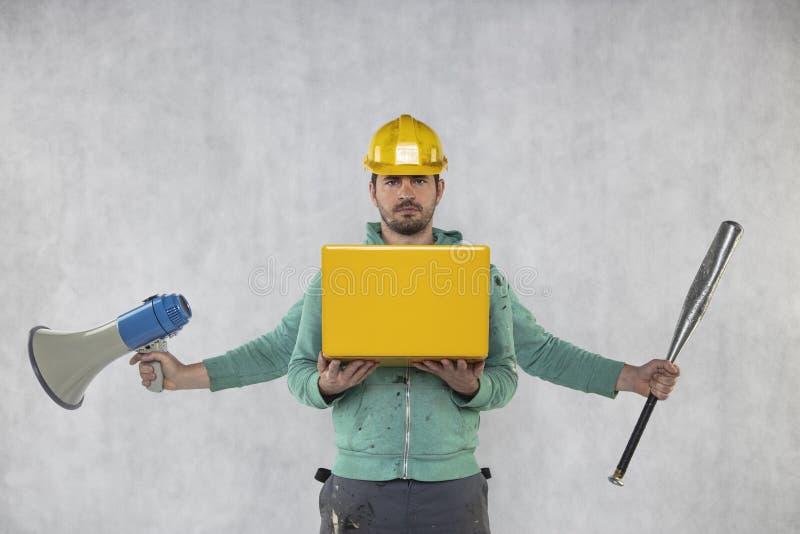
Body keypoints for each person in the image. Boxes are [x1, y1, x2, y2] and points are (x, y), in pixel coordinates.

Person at [131, 115, 680, 533]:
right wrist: (186, 377)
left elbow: (537, 352)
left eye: (419, 179)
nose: (407, 192)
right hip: (359, 492)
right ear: (372, 190)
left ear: (440, 188)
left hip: (453, 494)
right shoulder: (339, 278)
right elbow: (281, 352)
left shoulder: (478, 277)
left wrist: (630, 377)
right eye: (392, 180)